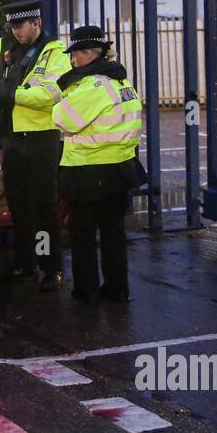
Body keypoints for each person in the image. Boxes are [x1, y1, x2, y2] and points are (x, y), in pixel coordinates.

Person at [0, 0, 71, 291]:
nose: (16, 32)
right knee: (18, 204)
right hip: (11, 136)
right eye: (12, 27)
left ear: (37, 23)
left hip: (40, 137)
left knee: (44, 205)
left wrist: (9, 93)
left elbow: (50, 95)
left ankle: (50, 267)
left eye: (20, 26)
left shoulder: (54, 54)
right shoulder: (7, 52)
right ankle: (24, 264)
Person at [52, 26, 144, 302]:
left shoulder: (93, 85)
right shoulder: (120, 81)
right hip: (119, 168)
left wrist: (61, 99)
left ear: (92, 54)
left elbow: (63, 119)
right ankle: (117, 289)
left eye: (78, 53)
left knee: (82, 234)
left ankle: (86, 291)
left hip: (88, 170)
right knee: (113, 233)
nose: (74, 59)